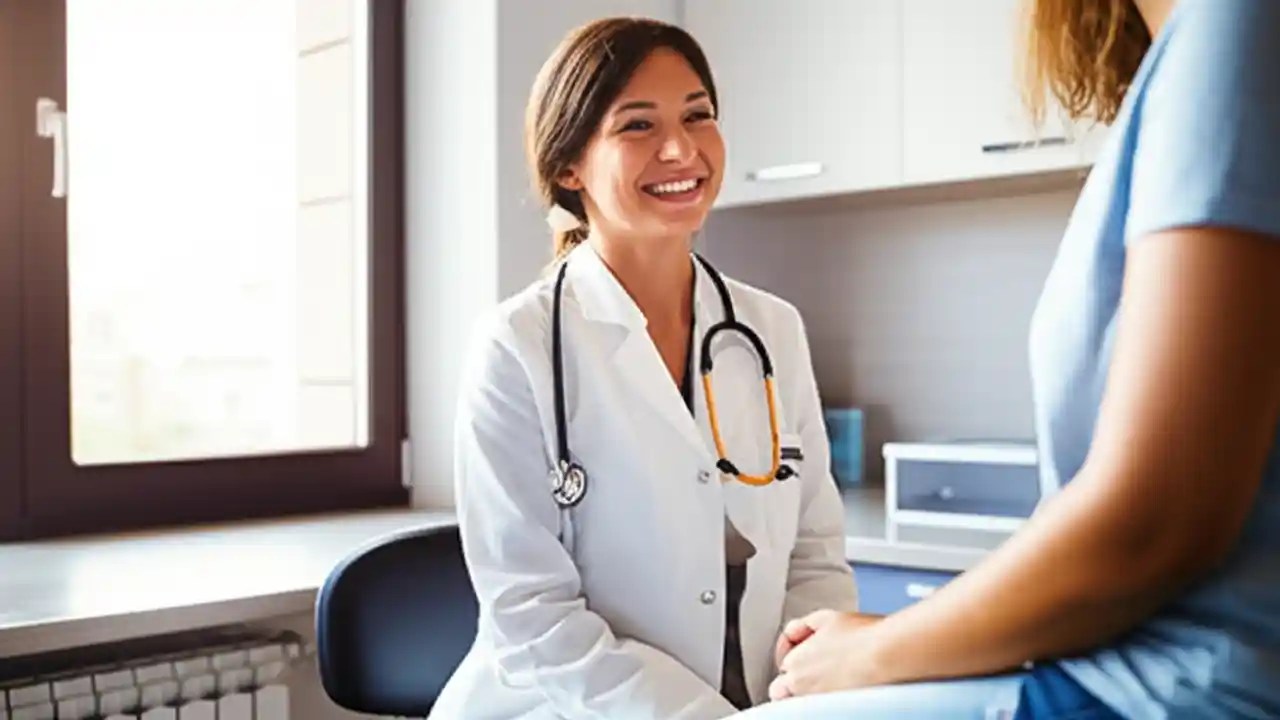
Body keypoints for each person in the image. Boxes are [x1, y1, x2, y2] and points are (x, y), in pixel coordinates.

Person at [739, 0, 1280, 717]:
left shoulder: (1235, 26)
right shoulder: (1185, 64)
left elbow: (1153, 526)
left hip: (1178, 688)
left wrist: (874, 651)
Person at [429, 17, 858, 719]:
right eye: (637, 126)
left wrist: (801, 698)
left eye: (699, 116)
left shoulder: (771, 329)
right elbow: (531, 614)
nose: (681, 148)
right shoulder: (517, 345)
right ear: (570, 167)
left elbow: (813, 556)